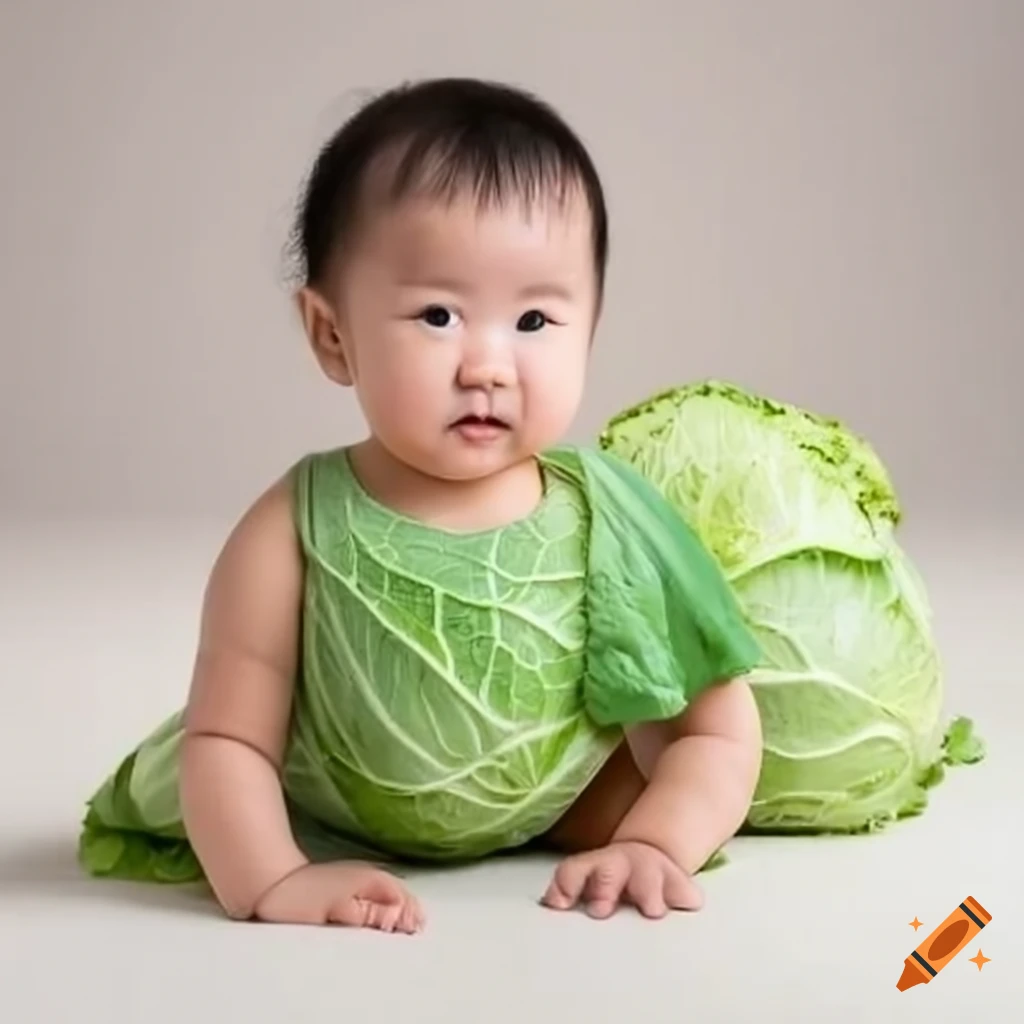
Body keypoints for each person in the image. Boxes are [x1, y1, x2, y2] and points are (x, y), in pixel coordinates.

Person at [78, 77, 764, 933]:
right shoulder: (289, 531)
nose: (488, 367)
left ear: (591, 326)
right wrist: (273, 880)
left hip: (558, 805)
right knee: (230, 782)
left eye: (534, 321)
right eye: (438, 315)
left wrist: (655, 844)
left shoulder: (613, 518)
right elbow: (228, 742)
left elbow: (716, 730)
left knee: (662, 770)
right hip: (338, 815)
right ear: (333, 334)